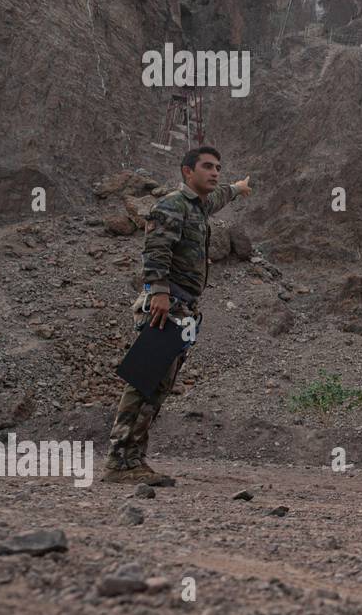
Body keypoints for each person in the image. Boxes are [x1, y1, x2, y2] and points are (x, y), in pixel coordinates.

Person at [102, 146, 251, 483]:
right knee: (145, 380)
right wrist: (158, 292)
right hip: (167, 305)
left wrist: (238, 188)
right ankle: (119, 462)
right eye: (207, 167)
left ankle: (133, 459)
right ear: (188, 172)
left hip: (182, 309)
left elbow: (220, 196)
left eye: (218, 167)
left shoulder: (200, 206)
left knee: (159, 384)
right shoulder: (172, 205)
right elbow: (156, 249)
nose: (215, 172)